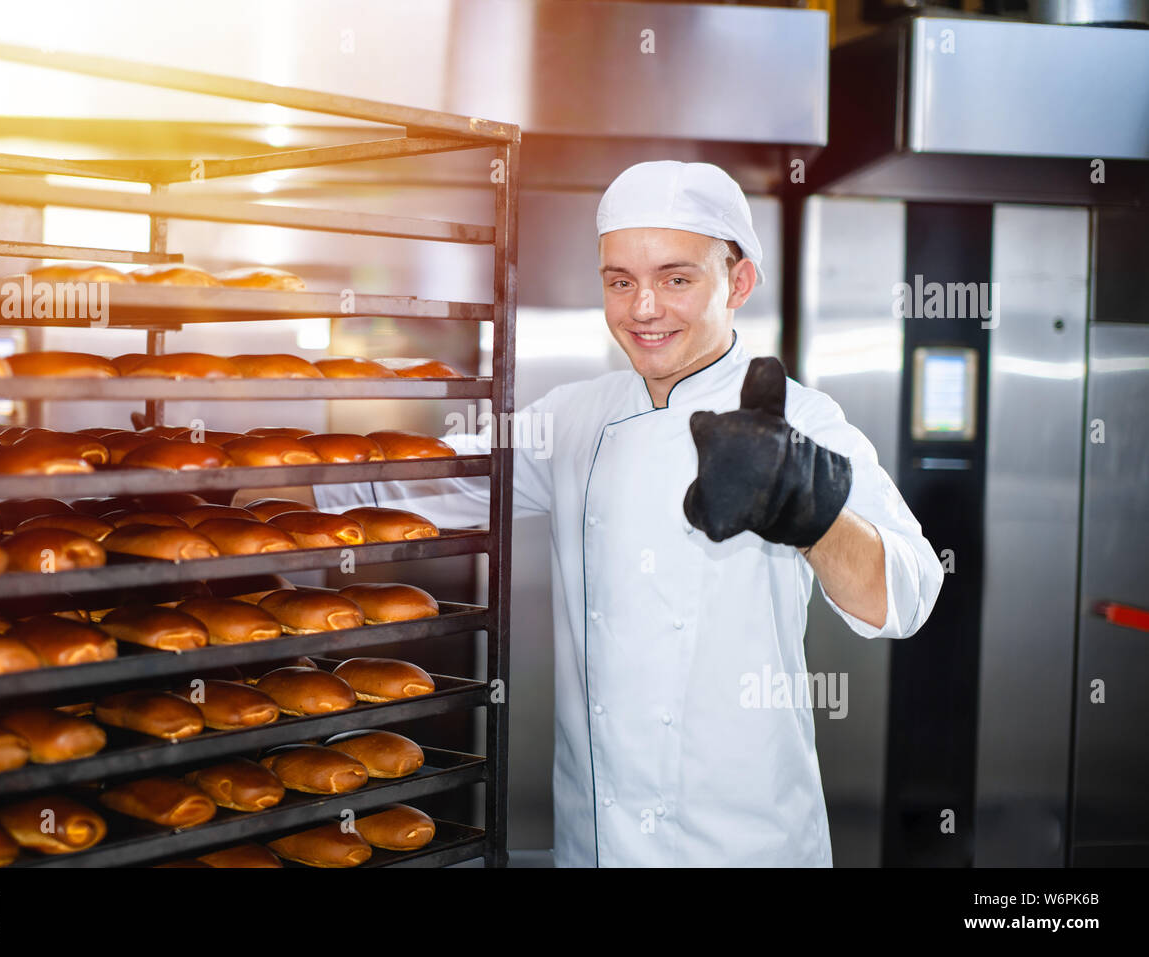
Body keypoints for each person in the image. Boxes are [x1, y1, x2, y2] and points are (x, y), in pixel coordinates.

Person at [301, 161, 944, 866]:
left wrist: (812, 513)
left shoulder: (804, 421)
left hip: (745, 849)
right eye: (620, 281)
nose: (643, 309)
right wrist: (214, 498)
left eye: (676, 278)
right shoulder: (575, 417)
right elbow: (411, 484)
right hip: (594, 845)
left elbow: (904, 595)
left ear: (738, 282)